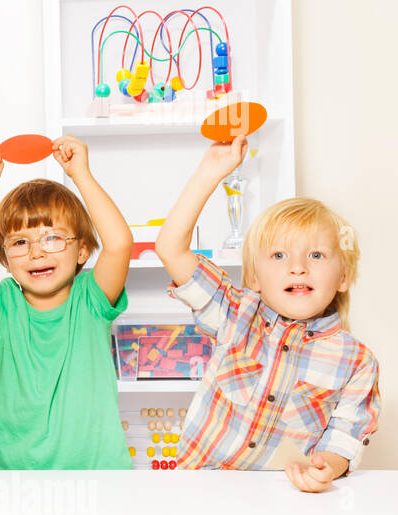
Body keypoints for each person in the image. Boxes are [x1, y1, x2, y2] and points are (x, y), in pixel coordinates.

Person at [154, 138, 380, 491]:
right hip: (200, 490)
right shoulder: (234, 313)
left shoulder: (356, 361)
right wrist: (210, 173)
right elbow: (170, 248)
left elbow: (344, 439)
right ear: (254, 278)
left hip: (285, 500)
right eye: (279, 256)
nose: (298, 268)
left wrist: (326, 469)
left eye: (317, 256)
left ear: (344, 277)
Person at [0, 138, 133, 470]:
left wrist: (80, 174)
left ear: (82, 251)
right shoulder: (2, 304)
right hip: (17, 480)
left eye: (53, 237)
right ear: (5, 259)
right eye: (19, 242)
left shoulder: (92, 298)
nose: (36, 252)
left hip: (100, 477)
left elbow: (118, 243)